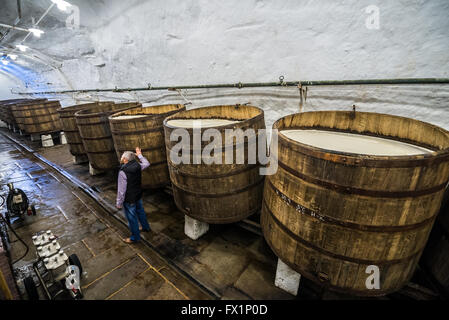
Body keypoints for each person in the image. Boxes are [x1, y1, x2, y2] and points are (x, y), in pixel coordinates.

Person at [116, 147, 151, 243]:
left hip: (129, 199)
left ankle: (135, 238)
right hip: (138, 194)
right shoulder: (137, 165)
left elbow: (121, 191)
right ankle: (146, 227)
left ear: (126, 160)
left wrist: (119, 203)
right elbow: (147, 163)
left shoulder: (123, 172)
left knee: (132, 218)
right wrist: (139, 155)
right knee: (140, 211)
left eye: (123, 157)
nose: (122, 159)